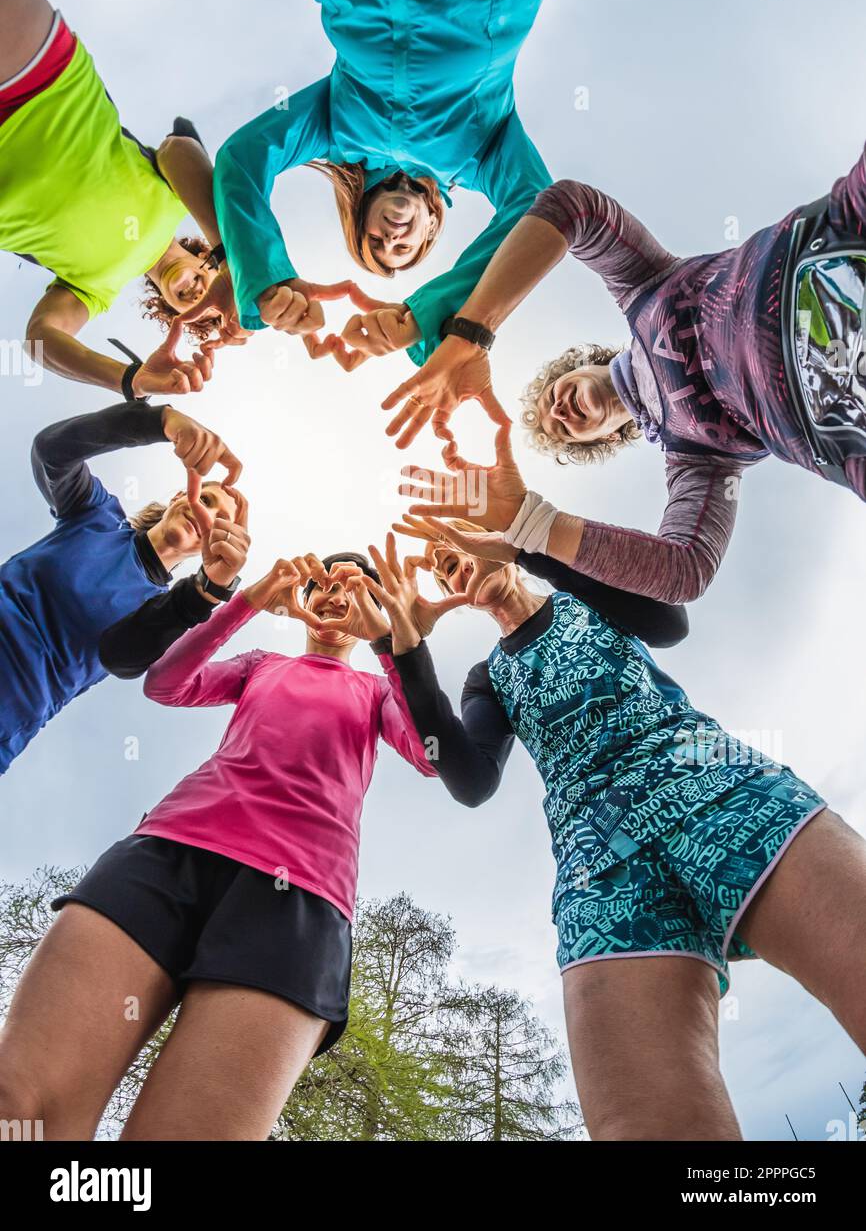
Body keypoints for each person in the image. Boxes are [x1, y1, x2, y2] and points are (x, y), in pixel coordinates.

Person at [361, 516, 866, 1140]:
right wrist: (403, 649)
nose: (448, 564)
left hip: (718, 791)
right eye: (438, 566)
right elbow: (470, 781)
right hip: (599, 869)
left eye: (453, 547)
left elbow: (668, 621)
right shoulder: (488, 677)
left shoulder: (579, 593)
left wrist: (529, 539)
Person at [0, 552, 462, 1139]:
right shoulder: (261, 664)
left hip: (296, 898)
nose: (333, 597)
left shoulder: (376, 691)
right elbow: (166, 683)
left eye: (356, 591)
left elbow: (432, 755)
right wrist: (249, 598)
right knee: (21, 1107)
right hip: (166, 857)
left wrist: (398, 644)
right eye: (322, 585)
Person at [380, 143, 866, 601]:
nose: (559, 411)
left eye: (551, 398)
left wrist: (472, 330)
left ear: (580, 364)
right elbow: (685, 571)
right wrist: (528, 520)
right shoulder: (697, 458)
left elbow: (573, 207)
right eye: (563, 431)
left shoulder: (644, 285)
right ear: (604, 439)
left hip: (837, 238)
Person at [213, 0, 581, 384]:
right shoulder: (483, 157)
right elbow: (545, 212)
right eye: (404, 251)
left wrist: (266, 278)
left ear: (359, 213)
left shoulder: (333, 133)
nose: (391, 239)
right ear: (433, 225)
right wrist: (430, 313)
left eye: (374, 243)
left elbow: (241, 160)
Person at [0, 0, 243, 397]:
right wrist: (235, 263)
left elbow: (39, 339)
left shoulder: (95, 292)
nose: (199, 303)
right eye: (210, 298)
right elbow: (177, 148)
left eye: (197, 318)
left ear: (167, 308)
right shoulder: (180, 201)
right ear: (204, 259)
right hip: (40, 84)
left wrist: (129, 380)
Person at [0, 400, 246, 775]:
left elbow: (121, 655)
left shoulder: (164, 610)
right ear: (181, 497)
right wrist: (157, 421)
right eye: (207, 499)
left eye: (221, 520)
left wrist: (207, 591)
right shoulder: (96, 516)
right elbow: (50, 451)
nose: (206, 515)